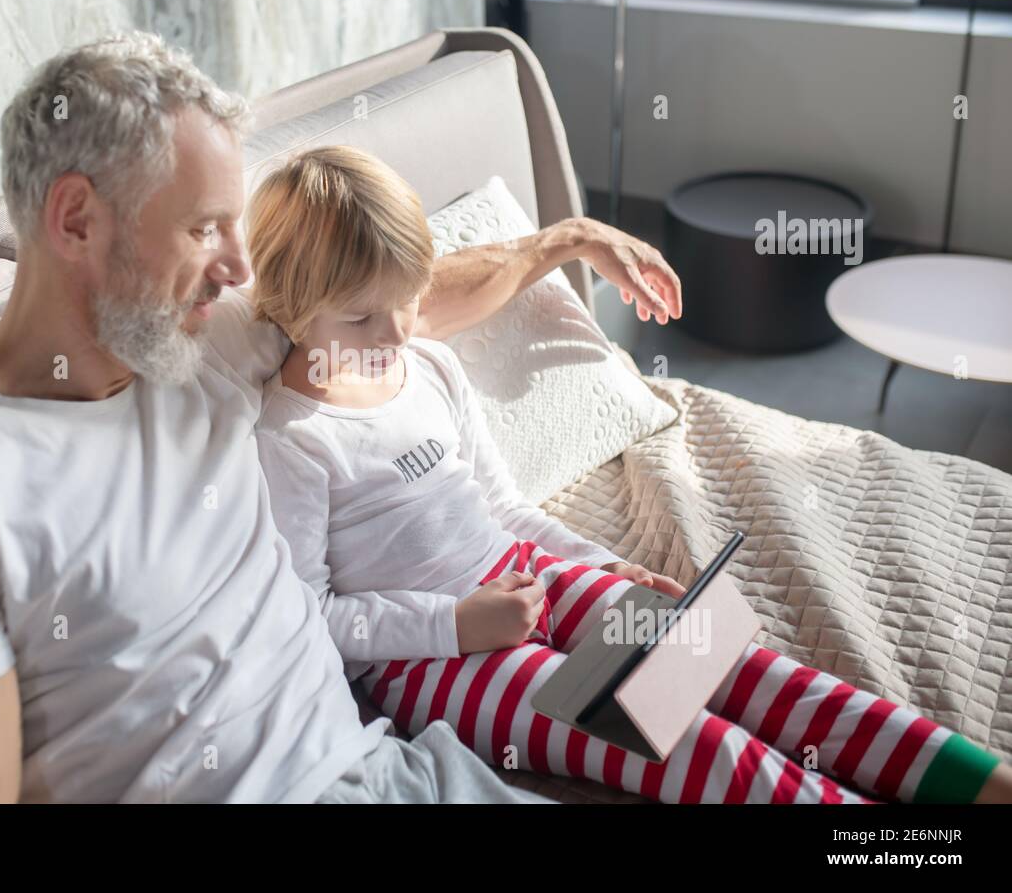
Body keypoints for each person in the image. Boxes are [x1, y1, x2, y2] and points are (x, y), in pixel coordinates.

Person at [0, 31, 682, 803]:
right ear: (75, 219)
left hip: (402, 775)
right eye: (206, 228)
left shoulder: (190, 337)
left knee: (701, 701)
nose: (237, 268)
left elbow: (378, 310)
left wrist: (555, 243)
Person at [248, 145, 1012, 804]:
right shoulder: (291, 438)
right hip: (427, 663)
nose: (395, 335)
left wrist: (598, 562)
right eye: (360, 319)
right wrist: (457, 626)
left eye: (407, 303)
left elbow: (502, 506)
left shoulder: (433, 366)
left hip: (523, 573)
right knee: (687, 742)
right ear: (288, 306)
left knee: (742, 670)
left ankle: (985, 784)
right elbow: (311, 618)